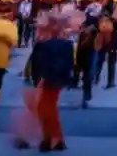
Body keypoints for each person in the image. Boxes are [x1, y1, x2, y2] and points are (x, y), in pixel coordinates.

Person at [30, 13, 74, 152]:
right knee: (48, 107)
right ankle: (54, 139)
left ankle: (51, 139)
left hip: (49, 78)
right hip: (57, 78)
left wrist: (37, 78)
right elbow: (69, 63)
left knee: (45, 108)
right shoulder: (66, 44)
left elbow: (37, 62)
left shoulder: (44, 43)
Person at [93, 13, 117, 89]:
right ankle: (110, 82)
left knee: (99, 61)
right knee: (111, 64)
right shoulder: (113, 22)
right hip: (111, 45)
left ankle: (96, 78)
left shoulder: (99, 23)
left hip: (103, 45)